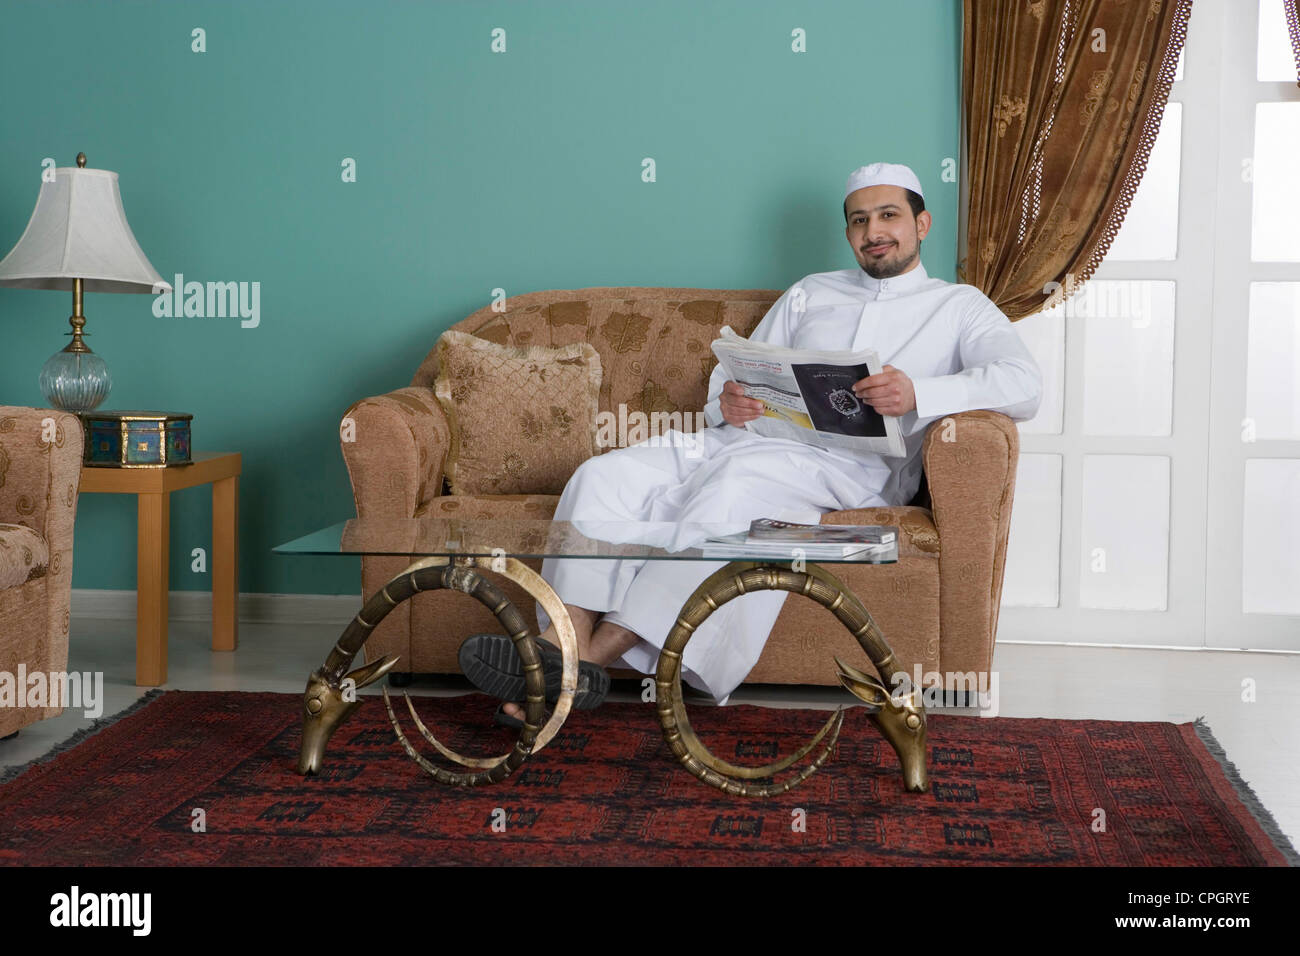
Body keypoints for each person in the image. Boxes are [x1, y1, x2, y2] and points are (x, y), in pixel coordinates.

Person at [460, 162, 1043, 727]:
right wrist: (729, 402)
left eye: (888, 215)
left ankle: (582, 664)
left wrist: (919, 391)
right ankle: (557, 650)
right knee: (599, 476)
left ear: (922, 223)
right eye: (859, 221)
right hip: (739, 441)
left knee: (731, 494)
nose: (873, 232)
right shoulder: (810, 293)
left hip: (848, 469)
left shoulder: (959, 306)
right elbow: (740, 372)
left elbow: (1025, 384)